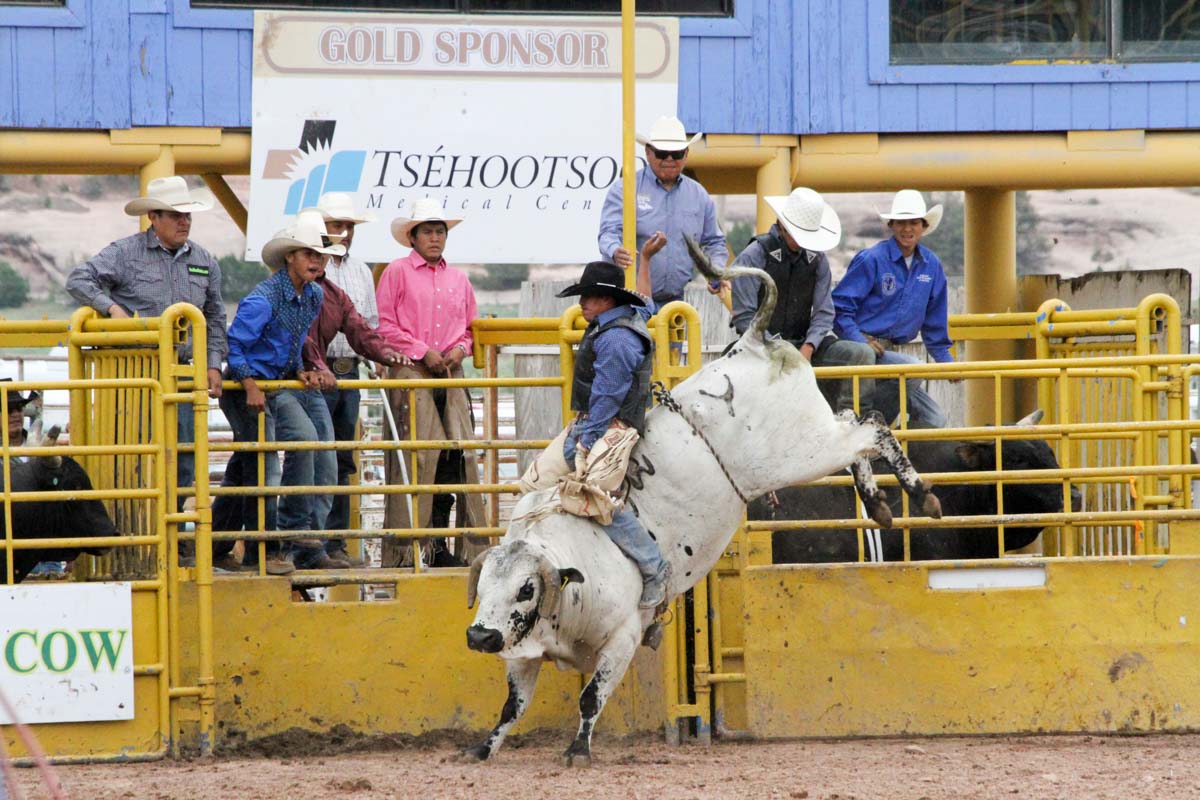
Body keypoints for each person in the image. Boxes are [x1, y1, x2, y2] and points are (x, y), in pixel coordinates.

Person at [67, 176, 229, 564]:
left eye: (186, 215)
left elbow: (216, 317)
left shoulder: (204, 261)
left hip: (184, 372)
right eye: (175, 215)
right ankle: (133, 535)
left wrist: (212, 365)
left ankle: (171, 537)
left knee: (184, 458)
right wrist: (111, 308)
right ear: (153, 217)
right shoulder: (125, 253)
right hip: (137, 374)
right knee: (133, 455)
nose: (184, 222)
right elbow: (79, 279)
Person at [521, 234, 670, 610]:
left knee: (594, 499)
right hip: (604, 423)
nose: (583, 303)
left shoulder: (615, 338)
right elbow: (648, 303)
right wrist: (646, 261)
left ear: (608, 300)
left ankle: (654, 568)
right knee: (537, 487)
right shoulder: (627, 320)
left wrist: (585, 440)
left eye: (589, 296)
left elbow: (606, 396)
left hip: (609, 427)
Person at [221, 218, 346, 573]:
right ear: (290, 257)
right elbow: (237, 347)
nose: (317, 261)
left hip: (275, 383)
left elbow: (290, 341)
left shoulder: (313, 295)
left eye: (321, 256)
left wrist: (296, 369)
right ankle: (276, 544)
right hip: (249, 387)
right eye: (309, 253)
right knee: (262, 466)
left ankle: (275, 540)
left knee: (249, 468)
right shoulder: (263, 299)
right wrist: (249, 385)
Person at [375, 198, 486, 568]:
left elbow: (471, 330)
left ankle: (437, 545)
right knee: (418, 458)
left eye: (440, 232)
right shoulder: (396, 273)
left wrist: (458, 349)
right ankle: (414, 549)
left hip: (449, 373)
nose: (435, 238)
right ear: (414, 237)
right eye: (428, 232)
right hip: (413, 371)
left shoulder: (459, 279)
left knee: (455, 458)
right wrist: (424, 351)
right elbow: (385, 325)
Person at [297, 207, 409, 567]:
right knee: (316, 455)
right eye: (336, 225)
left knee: (341, 458)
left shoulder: (359, 271)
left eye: (348, 226)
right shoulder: (309, 274)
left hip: (348, 372)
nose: (344, 232)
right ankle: (311, 542)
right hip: (316, 373)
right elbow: (306, 331)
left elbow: (367, 324)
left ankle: (333, 542)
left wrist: (381, 355)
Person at [729, 187, 875, 414]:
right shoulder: (753, 255)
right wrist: (776, 349)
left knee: (862, 354)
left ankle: (850, 418)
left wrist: (808, 346)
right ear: (781, 225)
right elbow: (745, 316)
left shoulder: (818, 259)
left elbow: (824, 312)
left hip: (804, 347)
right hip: (761, 348)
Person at [832, 189, 954, 428]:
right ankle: (873, 427)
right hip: (864, 353)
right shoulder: (872, 259)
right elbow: (839, 308)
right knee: (914, 370)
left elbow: (934, 323)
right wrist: (860, 341)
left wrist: (946, 362)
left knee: (936, 421)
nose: (907, 229)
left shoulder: (932, 266)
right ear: (892, 225)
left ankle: (884, 439)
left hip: (893, 356)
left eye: (913, 222)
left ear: (923, 225)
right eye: (901, 222)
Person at [597, 115, 729, 306]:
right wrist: (615, 251)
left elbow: (714, 242)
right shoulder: (625, 189)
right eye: (662, 153)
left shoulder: (698, 195)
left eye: (675, 154)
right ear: (648, 152)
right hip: (625, 301)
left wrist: (715, 272)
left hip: (673, 302)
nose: (669, 159)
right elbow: (608, 233)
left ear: (686, 154)